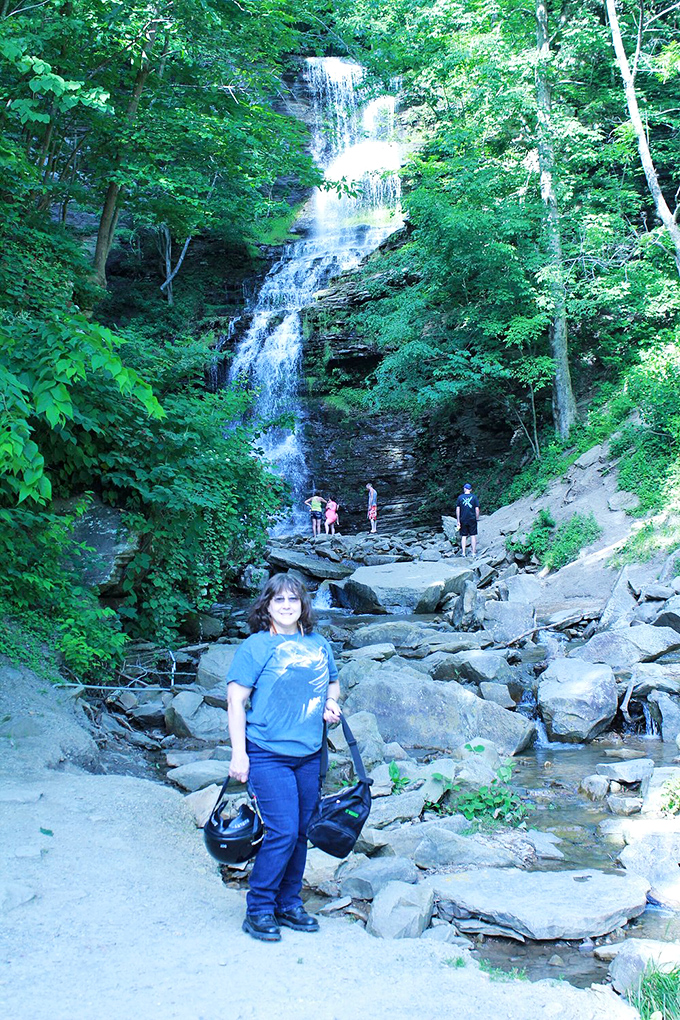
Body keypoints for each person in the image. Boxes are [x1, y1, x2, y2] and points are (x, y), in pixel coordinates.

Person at [226, 574, 341, 943]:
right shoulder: (257, 646)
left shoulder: (319, 643)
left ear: (303, 605)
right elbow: (235, 700)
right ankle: (259, 908)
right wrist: (239, 754)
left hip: (309, 754)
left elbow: (333, 683)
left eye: (293, 599)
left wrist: (331, 703)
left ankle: (289, 903)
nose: (287, 606)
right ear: (267, 606)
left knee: (301, 832)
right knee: (282, 830)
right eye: (280, 600)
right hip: (267, 753)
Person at [456, 482, 480, 557]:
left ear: (464, 489)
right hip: (472, 518)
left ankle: (463, 552)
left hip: (463, 519)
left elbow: (458, 509)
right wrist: (477, 517)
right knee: (473, 535)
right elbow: (477, 509)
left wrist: (458, 520)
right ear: (471, 489)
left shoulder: (460, 497)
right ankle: (473, 553)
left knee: (464, 536)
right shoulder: (474, 497)